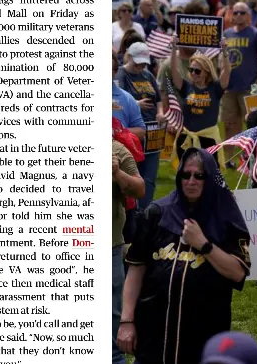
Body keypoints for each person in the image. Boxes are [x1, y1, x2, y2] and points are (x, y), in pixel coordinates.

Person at [118, 149, 252, 364]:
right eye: (185, 175)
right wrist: (127, 321)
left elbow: (237, 273)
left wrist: (203, 244)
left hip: (204, 334)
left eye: (199, 176)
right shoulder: (157, 213)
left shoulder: (226, 217)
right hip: (154, 333)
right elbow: (136, 268)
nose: (191, 181)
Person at [116, 42, 164, 209]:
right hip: (130, 133)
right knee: (132, 173)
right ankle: (132, 210)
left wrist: (160, 112)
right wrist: (137, 103)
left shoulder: (148, 75)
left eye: (144, 63)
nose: (141, 66)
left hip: (152, 131)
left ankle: (145, 212)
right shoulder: (120, 74)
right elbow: (118, 100)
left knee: (149, 177)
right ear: (128, 57)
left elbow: (158, 99)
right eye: (138, 62)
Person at [222, 1, 257, 167]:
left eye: (242, 12)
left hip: (249, 86)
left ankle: (249, 158)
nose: (238, 16)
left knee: (251, 125)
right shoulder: (226, 34)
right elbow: (222, 59)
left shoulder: (256, 34)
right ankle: (228, 159)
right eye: (236, 12)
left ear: (248, 15)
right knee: (229, 124)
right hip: (229, 87)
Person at [111, 138, 145, 364]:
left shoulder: (114, 149)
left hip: (109, 246)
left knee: (110, 331)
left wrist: (116, 173)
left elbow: (140, 189)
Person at [169, 38, 231, 161]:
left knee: (208, 174)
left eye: (197, 71)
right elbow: (174, 71)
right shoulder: (186, 86)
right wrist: (174, 49)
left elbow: (227, 71)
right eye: (191, 70)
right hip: (187, 137)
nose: (193, 73)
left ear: (206, 72)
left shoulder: (215, 88)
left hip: (209, 138)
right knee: (186, 173)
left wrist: (224, 51)